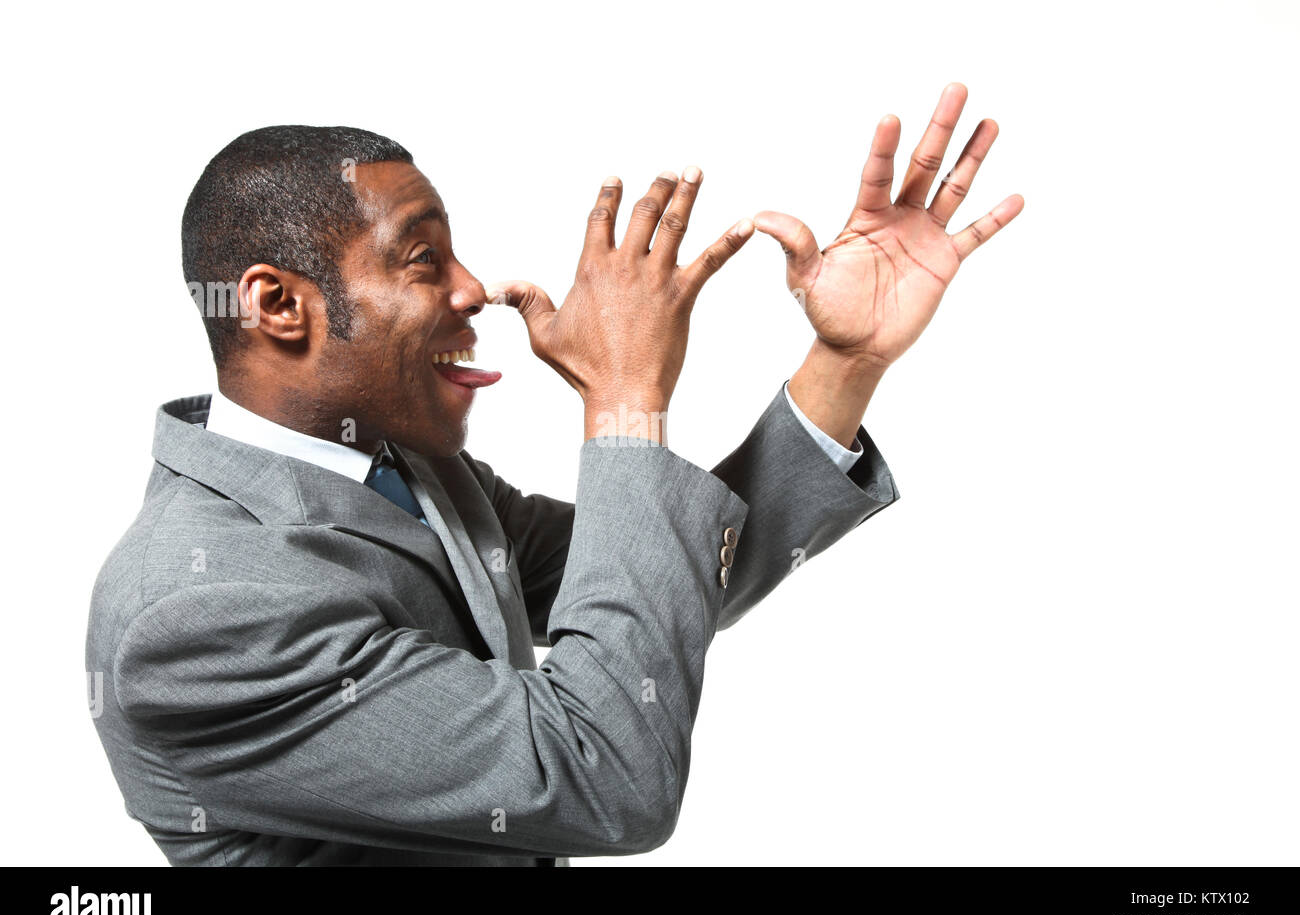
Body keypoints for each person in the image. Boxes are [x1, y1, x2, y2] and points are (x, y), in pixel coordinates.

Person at [86, 83, 1022, 865]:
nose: (471, 288)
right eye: (423, 259)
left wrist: (843, 360)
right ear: (279, 305)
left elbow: (671, 578)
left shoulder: (412, 472)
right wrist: (624, 398)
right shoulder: (194, 615)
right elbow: (602, 775)